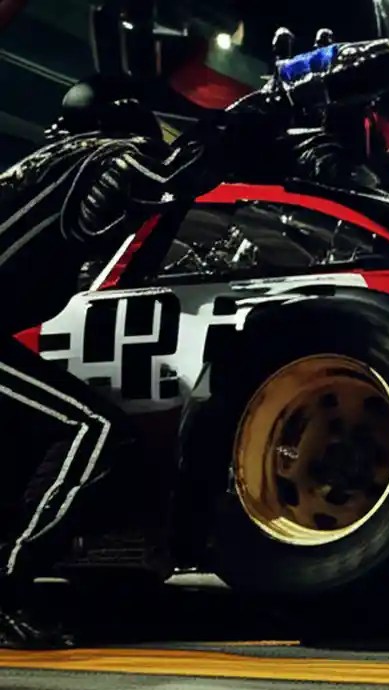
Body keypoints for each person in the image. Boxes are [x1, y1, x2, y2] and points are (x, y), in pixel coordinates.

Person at [0, 78, 255, 648]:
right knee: (92, 431)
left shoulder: (38, 166)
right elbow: (169, 185)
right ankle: (8, 585)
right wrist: (235, 132)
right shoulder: (105, 155)